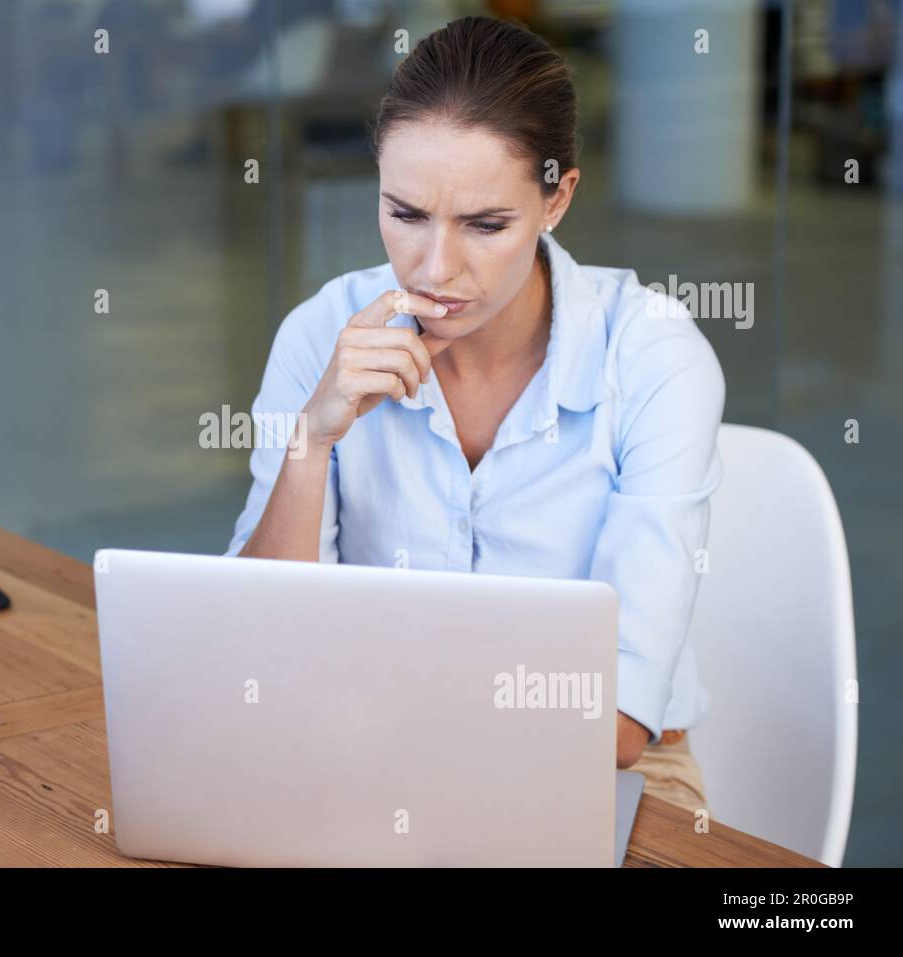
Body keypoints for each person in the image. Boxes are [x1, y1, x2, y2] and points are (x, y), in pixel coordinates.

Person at [224, 15, 723, 815]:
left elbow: (622, 720)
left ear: (557, 198)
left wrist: (390, 729)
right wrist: (309, 443)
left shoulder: (654, 359)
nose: (434, 267)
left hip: (606, 772)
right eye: (406, 214)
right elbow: (254, 651)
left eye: (485, 225)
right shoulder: (322, 334)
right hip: (358, 748)